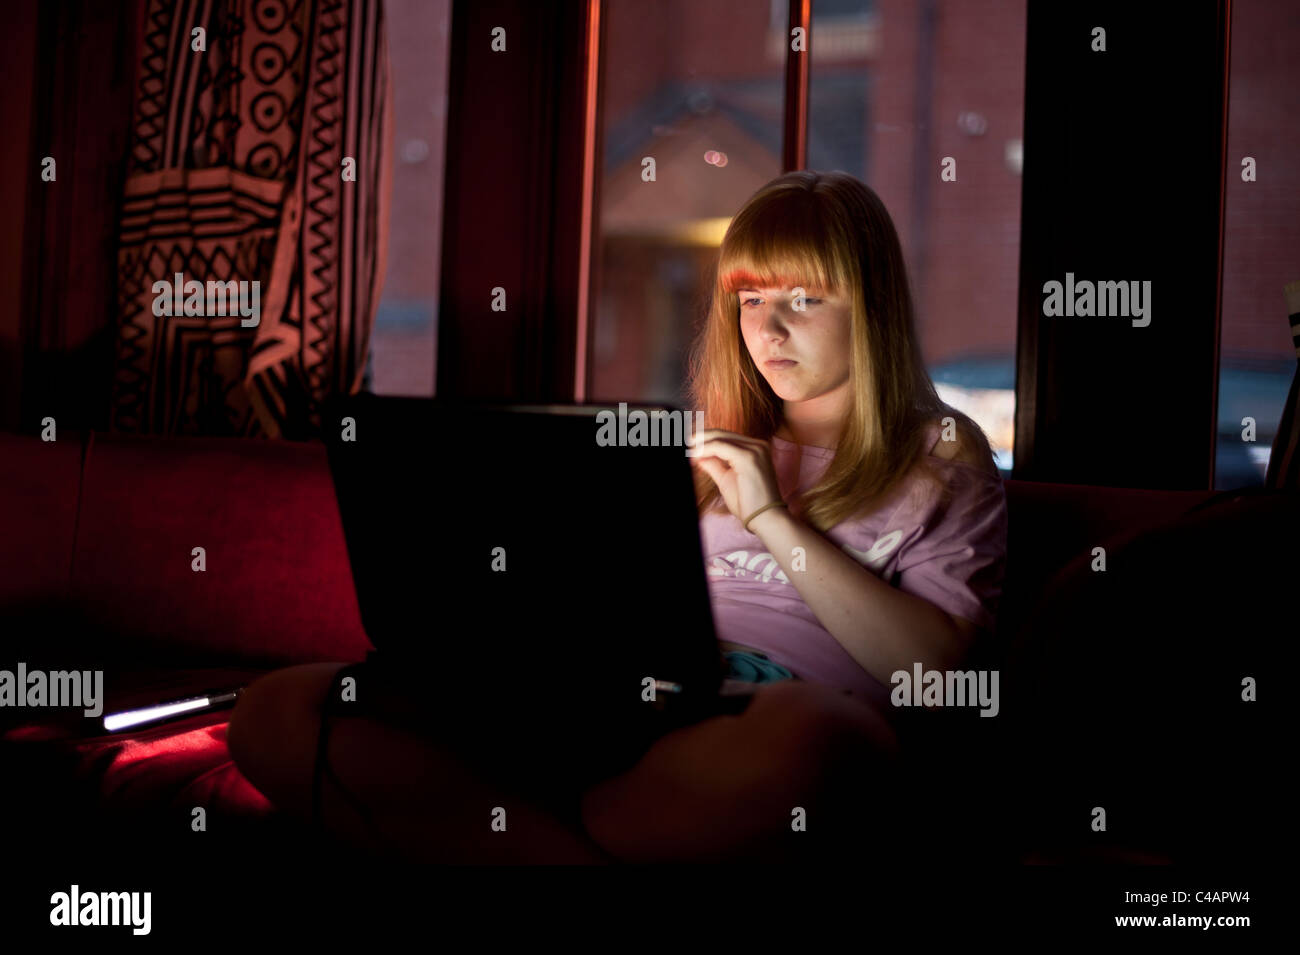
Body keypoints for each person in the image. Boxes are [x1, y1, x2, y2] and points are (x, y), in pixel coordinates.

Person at [226, 170, 1007, 864]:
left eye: (804, 300)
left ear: (869, 305)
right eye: (752, 299)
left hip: (765, 717)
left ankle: (520, 829)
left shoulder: (937, 454)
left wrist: (773, 517)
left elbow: (937, 677)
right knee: (280, 709)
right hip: (613, 696)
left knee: (812, 736)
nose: (768, 330)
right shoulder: (706, 446)